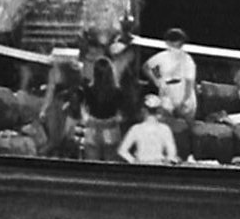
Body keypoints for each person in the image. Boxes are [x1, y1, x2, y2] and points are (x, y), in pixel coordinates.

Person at [76, 29, 121, 159]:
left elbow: (83, 108)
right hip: (111, 128)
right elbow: (121, 113)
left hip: (92, 128)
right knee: (110, 164)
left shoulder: (88, 89)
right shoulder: (117, 91)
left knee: (92, 164)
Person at [145, 28, 199, 120]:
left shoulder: (187, 60)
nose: (176, 45)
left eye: (179, 42)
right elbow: (147, 67)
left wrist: (184, 101)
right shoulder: (161, 57)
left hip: (183, 96)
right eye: (173, 41)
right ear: (168, 42)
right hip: (167, 95)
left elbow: (189, 83)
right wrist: (158, 80)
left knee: (186, 123)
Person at [117, 94, 180, 165]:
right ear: (158, 110)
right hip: (159, 166)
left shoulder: (136, 129)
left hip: (141, 166)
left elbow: (122, 151)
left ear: (143, 110)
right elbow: (172, 153)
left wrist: (133, 161)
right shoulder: (165, 129)